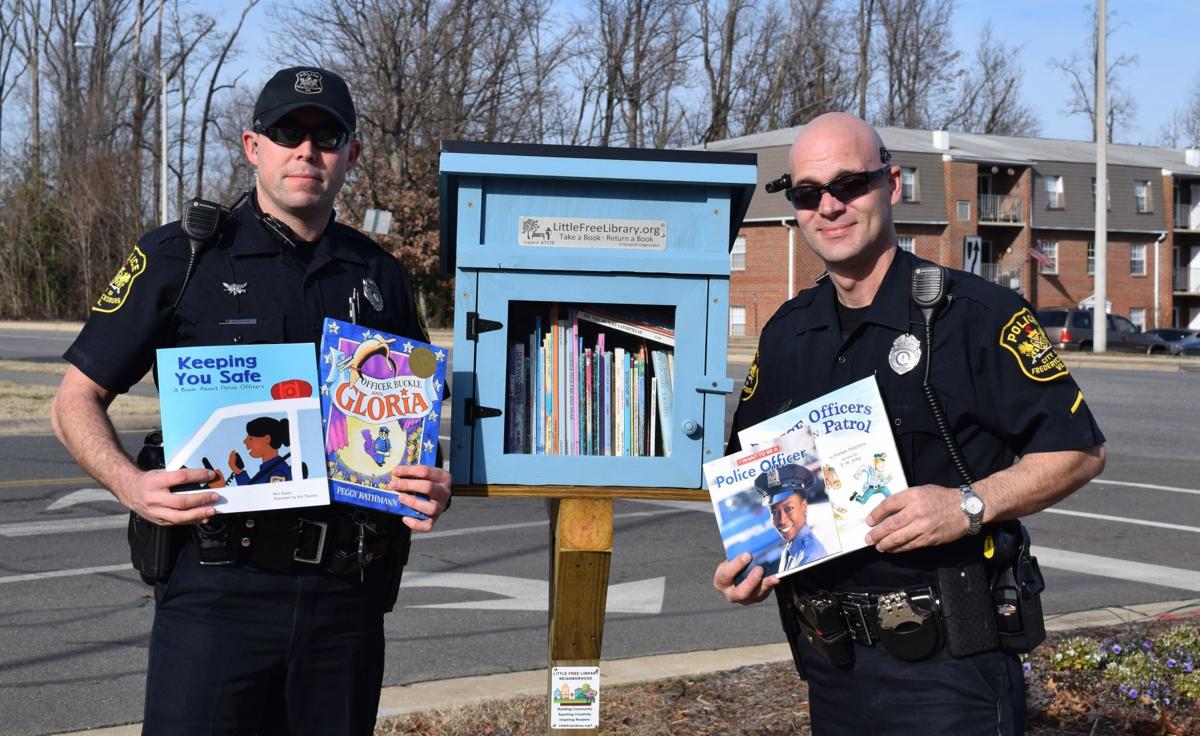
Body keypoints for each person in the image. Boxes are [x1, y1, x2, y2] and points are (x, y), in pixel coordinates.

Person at [51, 66, 452, 736]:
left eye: (328, 135)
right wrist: (131, 486)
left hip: (345, 599)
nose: (307, 149)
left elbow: (406, 424)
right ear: (252, 146)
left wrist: (426, 481)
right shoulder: (182, 258)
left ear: (351, 155)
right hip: (217, 592)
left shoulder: (381, 277)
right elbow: (74, 401)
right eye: (287, 130)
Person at [713, 112, 1105, 735]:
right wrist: (753, 560)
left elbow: (1079, 450)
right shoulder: (786, 333)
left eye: (849, 185)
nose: (830, 207)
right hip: (831, 663)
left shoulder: (979, 315)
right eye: (809, 194)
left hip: (950, 673)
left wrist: (966, 506)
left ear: (891, 184)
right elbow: (757, 482)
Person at [755, 463, 828, 572]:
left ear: (803, 506)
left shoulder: (811, 556)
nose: (781, 520)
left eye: (788, 509)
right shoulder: (790, 550)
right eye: (774, 512)